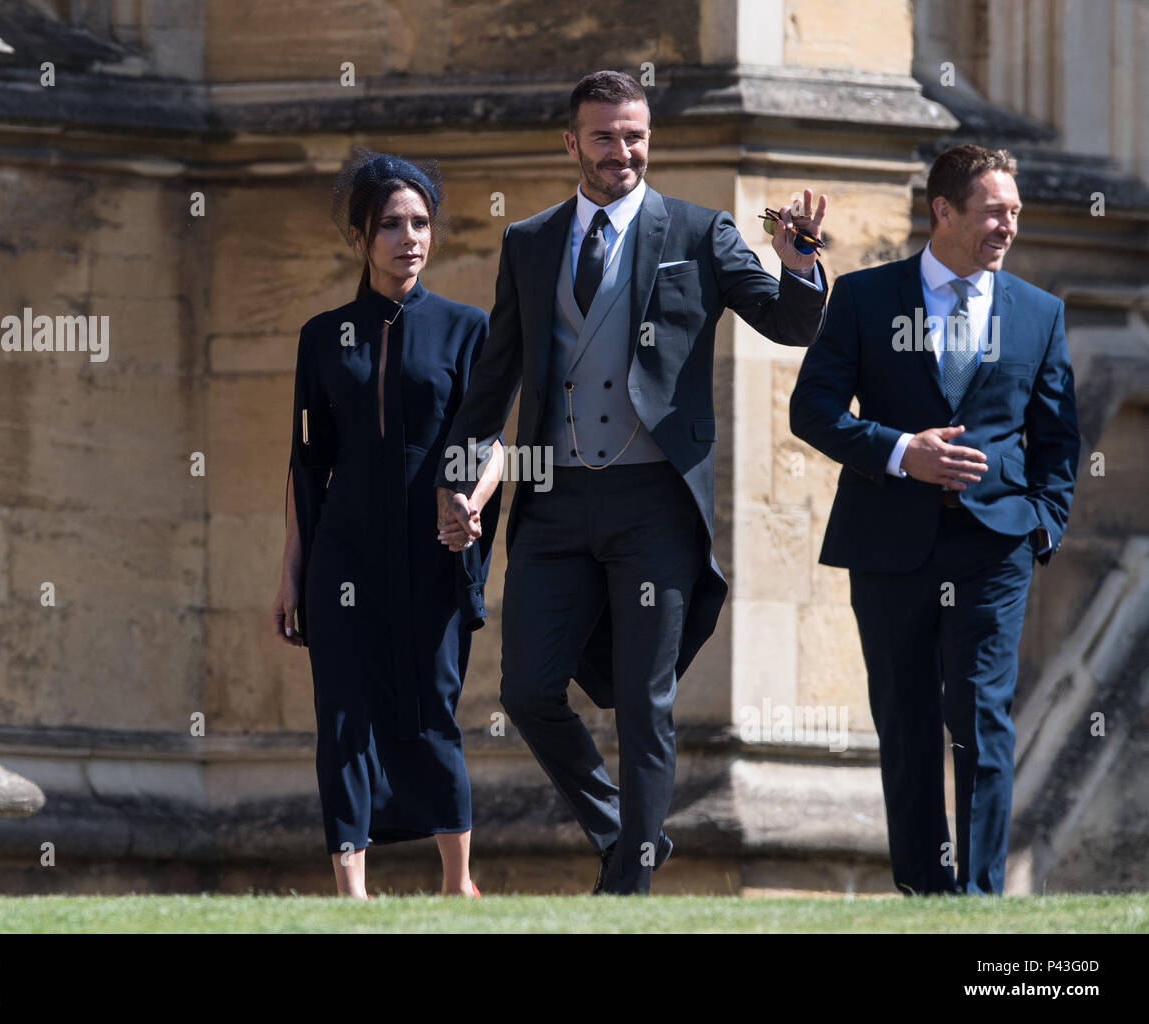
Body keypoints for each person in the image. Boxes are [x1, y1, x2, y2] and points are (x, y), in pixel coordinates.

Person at [433, 70, 829, 894]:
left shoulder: (700, 232)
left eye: (637, 135)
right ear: (571, 142)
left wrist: (800, 264)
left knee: (646, 703)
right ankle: (624, 833)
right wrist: (459, 478)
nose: (624, 151)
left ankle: (631, 888)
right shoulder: (529, 242)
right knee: (529, 690)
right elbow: (495, 377)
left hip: (654, 502)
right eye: (607, 136)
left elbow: (789, 323)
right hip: (554, 499)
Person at [789, 144, 1080, 895]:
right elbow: (812, 411)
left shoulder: (1040, 312)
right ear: (942, 211)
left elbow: (1057, 438)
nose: (1007, 226)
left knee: (982, 713)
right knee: (906, 717)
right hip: (889, 545)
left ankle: (979, 896)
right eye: (993, 211)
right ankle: (925, 891)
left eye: (1014, 212)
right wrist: (896, 452)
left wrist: (1045, 522)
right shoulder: (862, 298)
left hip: (995, 546)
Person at [273, 148, 505, 898]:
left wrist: (472, 502)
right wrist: (290, 574)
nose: (410, 238)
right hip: (343, 552)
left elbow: (498, 444)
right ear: (359, 237)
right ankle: (351, 888)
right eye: (392, 226)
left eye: (422, 223)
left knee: (431, 702)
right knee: (342, 707)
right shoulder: (322, 336)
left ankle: (457, 881)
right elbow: (307, 463)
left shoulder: (470, 330)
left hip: (434, 547)